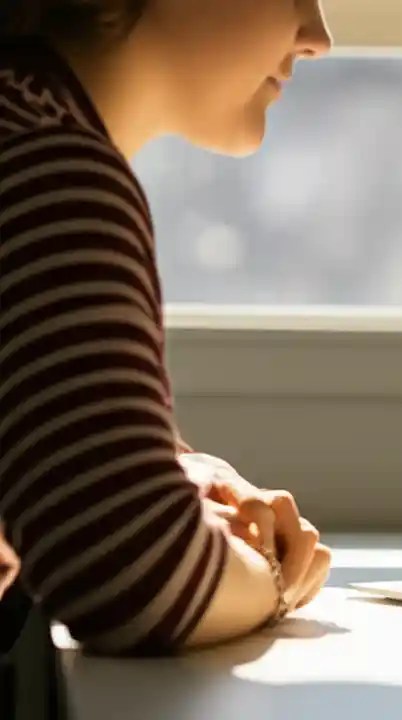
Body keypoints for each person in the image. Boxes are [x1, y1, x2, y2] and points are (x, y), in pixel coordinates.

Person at [0, 0, 335, 668]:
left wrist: (164, 476)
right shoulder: (45, 165)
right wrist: (263, 579)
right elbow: (133, 580)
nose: (316, 37)